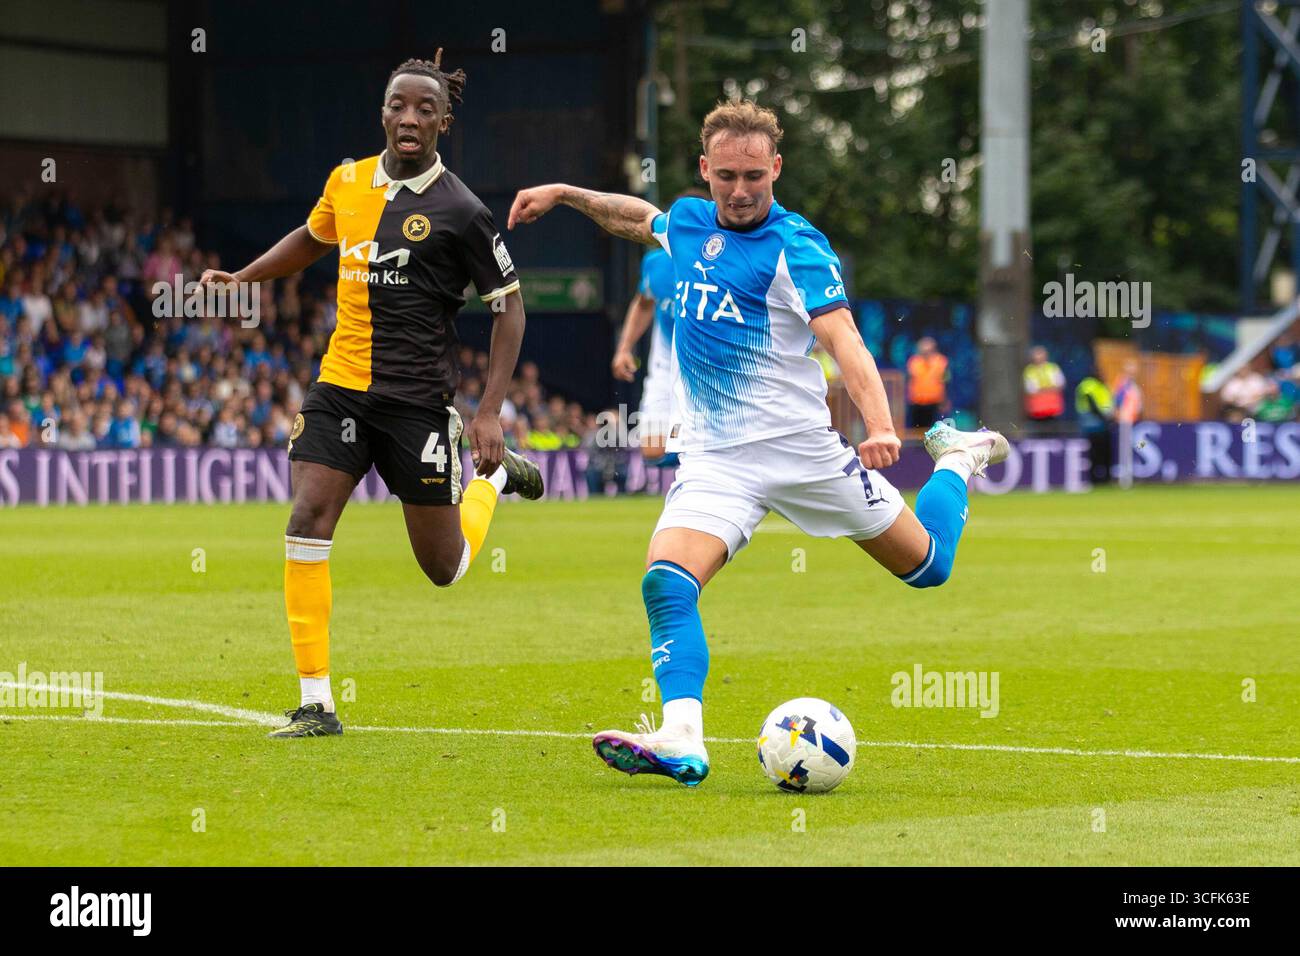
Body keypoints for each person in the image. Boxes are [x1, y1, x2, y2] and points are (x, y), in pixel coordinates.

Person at [508, 99, 1008, 786]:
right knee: (665, 583)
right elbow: (633, 215)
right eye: (727, 177)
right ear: (705, 170)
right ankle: (683, 735)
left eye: (755, 178)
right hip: (716, 460)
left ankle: (956, 457)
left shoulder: (795, 245)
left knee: (929, 568)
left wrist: (883, 424)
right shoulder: (685, 222)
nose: (741, 192)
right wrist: (564, 195)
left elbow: (844, 341)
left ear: (776, 169)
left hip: (803, 453)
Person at [200, 52, 543, 739]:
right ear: (382, 113)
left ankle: (493, 481)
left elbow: (510, 309)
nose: (409, 118)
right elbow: (310, 238)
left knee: (444, 569)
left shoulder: (463, 211)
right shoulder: (347, 182)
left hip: (416, 404)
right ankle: (316, 703)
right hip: (340, 390)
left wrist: (487, 412)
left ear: (444, 120)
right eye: (397, 106)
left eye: (424, 108)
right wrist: (246, 276)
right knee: (307, 519)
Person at [610, 190, 706, 464]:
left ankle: (703, 473)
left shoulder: (716, 264)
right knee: (651, 448)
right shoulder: (655, 263)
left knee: (701, 445)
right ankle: (697, 462)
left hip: (703, 367)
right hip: (664, 366)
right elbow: (643, 303)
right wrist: (624, 348)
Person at [1074, 371, 1113, 485]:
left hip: (1099, 425)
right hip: (1093, 425)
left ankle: (1101, 478)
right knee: (1097, 453)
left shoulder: (1100, 386)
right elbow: (1092, 404)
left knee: (1101, 453)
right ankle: (1097, 479)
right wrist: (1104, 418)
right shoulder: (1088, 385)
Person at [906, 336, 949, 429]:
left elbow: (946, 382)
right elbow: (910, 380)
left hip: (935, 402)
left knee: (934, 428)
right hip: (917, 402)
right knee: (916, 430)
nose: (926, 354)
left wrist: (945, 400)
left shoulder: (941, 362)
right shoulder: (914, 362)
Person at [1023, 346, 1065, 421]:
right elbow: (1030, 389)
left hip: (1053, 410)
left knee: (1055, 430)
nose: (1038, 358)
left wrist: (1042, 390)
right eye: (1036, 355)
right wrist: (1050, 389)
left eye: (1040, 355)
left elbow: (1061, 384)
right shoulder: (1029, 370)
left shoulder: (1053, 368)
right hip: (1037, 411)